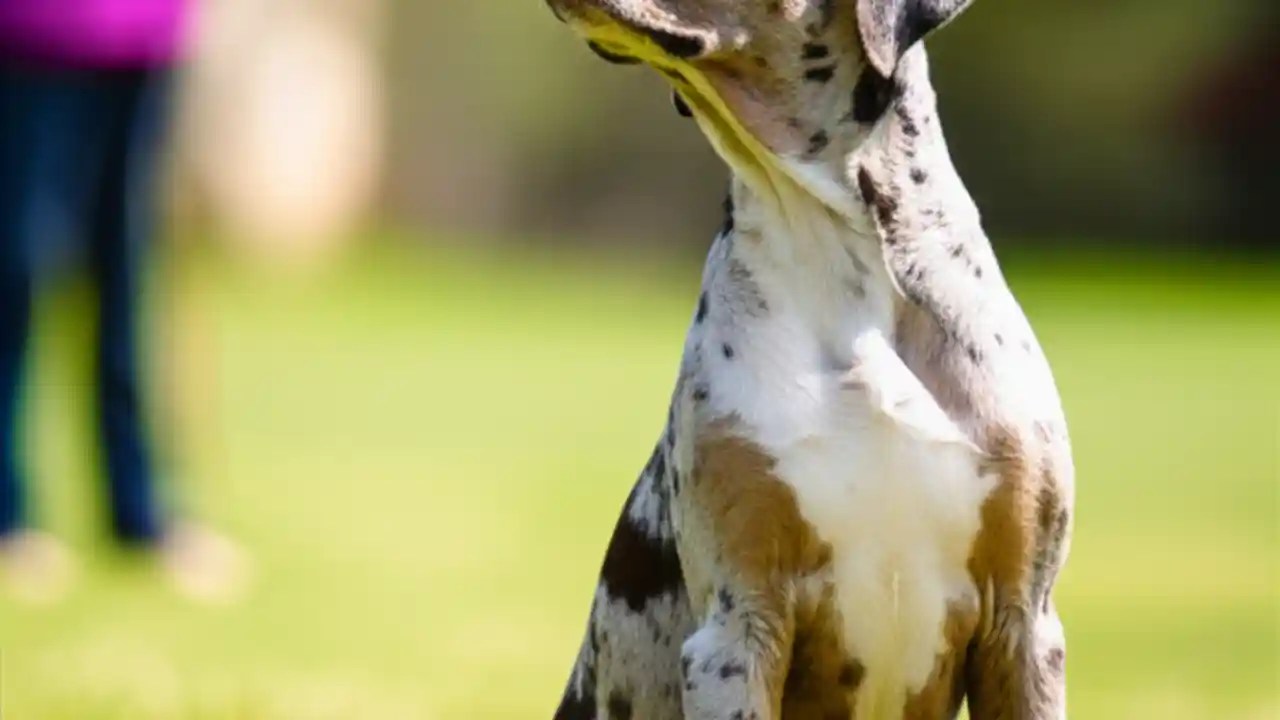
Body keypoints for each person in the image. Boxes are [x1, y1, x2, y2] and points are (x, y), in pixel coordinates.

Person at [0, 0, 245, 602]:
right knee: (16, 265)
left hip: (143, 34)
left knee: (127, 270)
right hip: (32, 32)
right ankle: (6, 513)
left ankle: (139, 512)